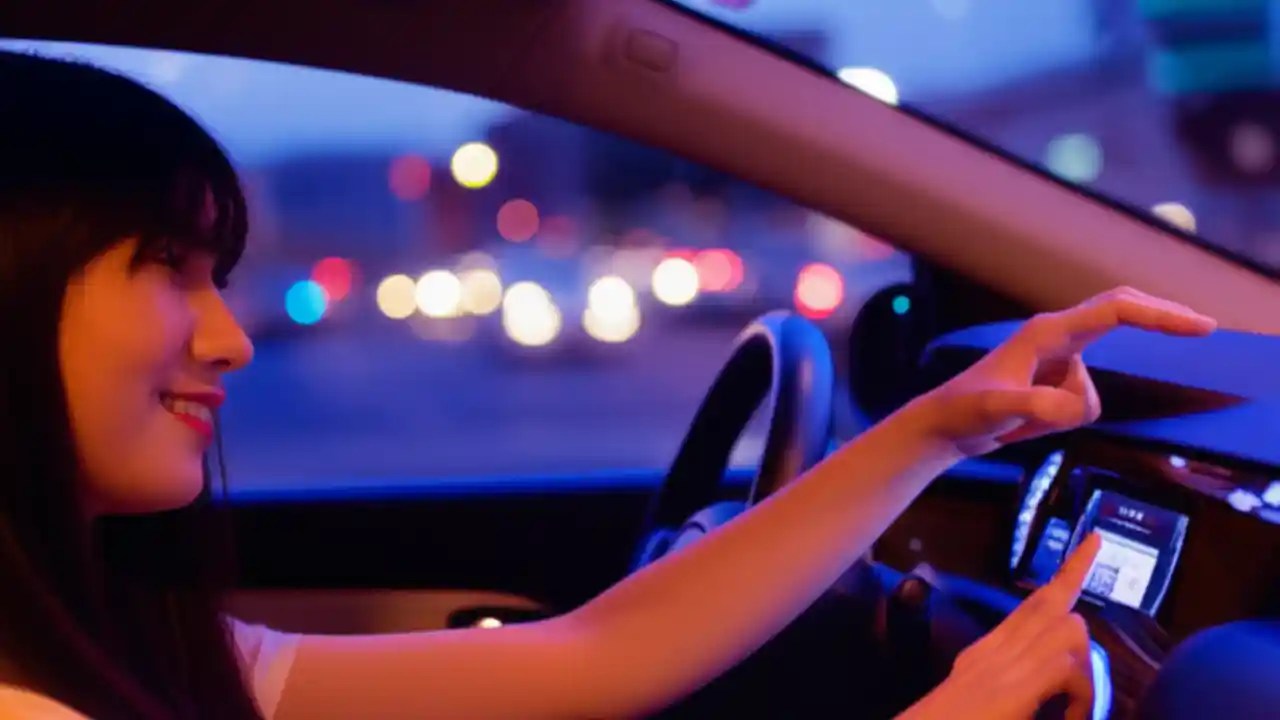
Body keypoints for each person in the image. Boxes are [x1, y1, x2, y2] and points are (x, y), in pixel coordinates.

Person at [0, 49, 1216, 720]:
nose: (231, 339)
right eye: (169, 268)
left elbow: (593, 654)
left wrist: (937, 428)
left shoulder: (132, 643)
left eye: (221, 277)